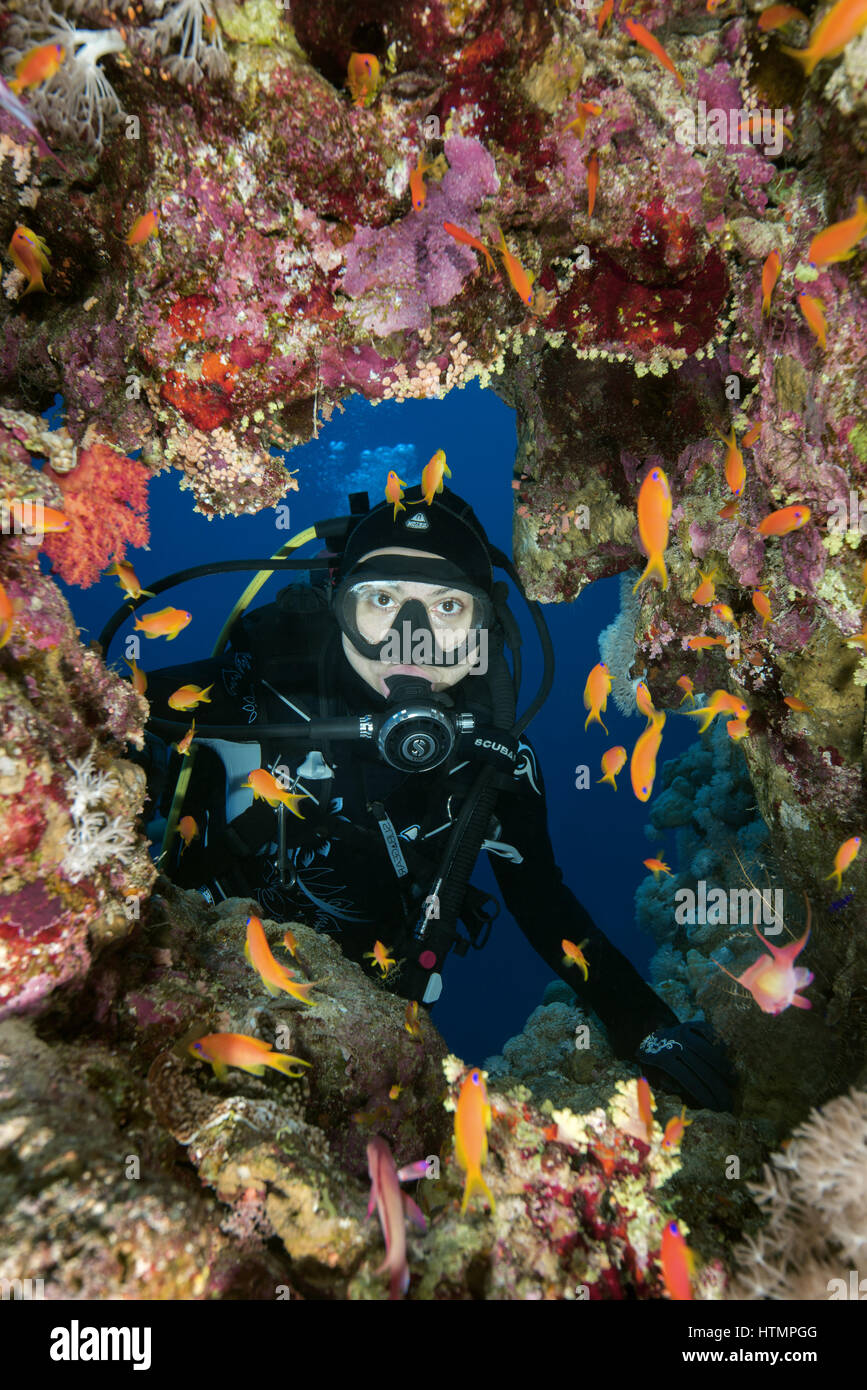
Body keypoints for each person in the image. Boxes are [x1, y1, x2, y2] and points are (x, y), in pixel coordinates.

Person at [138, 484, 734, 1110]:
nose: (409, 639)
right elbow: (104, 716)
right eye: (382, 600)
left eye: (447, 607)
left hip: (368, 1032)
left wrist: (648, 1027)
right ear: (336, 605)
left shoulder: (494, 764)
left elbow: (544, 905)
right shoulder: (250, 693)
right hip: (196, 976)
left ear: (485, 628)